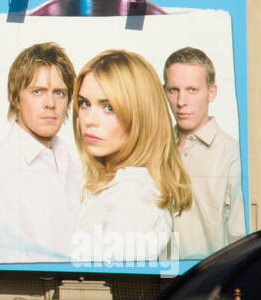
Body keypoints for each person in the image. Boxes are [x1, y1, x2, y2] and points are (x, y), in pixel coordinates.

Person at [72, 50, 192, 269]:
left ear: (140, 114)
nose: (89, 120)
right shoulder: (113, 189)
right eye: (84, 103)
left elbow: (111, 286)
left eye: (108, 108)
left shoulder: (133, 198)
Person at [0, 43, 81, 262]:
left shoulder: (69, 157)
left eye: (59, 93)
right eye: (37, 92)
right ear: (14, 97)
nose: (50, 104)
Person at [163, 47, 245, 261]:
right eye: (173, 90)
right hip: (156, 283)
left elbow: (240, 238)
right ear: (165, 92)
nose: (181, 102)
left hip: (207, 285)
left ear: (212, 92)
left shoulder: (232, 154)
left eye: (192, 90)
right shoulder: (156, 150)